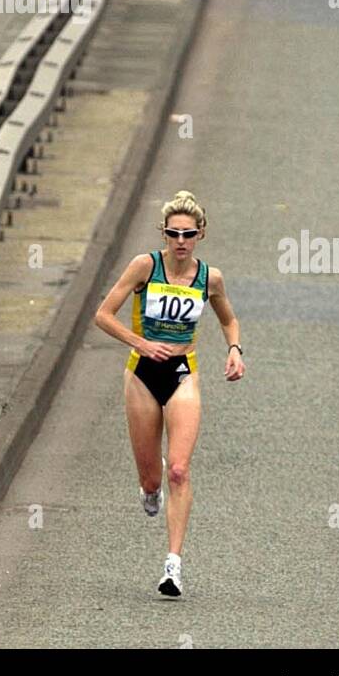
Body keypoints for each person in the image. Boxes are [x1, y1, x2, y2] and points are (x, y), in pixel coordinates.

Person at [94, 190, 245, 597]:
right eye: (174, 234)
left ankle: (173, 567)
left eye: (189, 234)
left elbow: (228, 319)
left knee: (179, 469)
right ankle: (149, 488)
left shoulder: (209, 277)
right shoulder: (145, 266)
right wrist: (139, 343)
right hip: (142, 374)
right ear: (164, 233)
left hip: (183, 373)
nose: (181, 241)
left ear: (201, 235)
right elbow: (102, 315)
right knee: (151, 477)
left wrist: (234, 349)